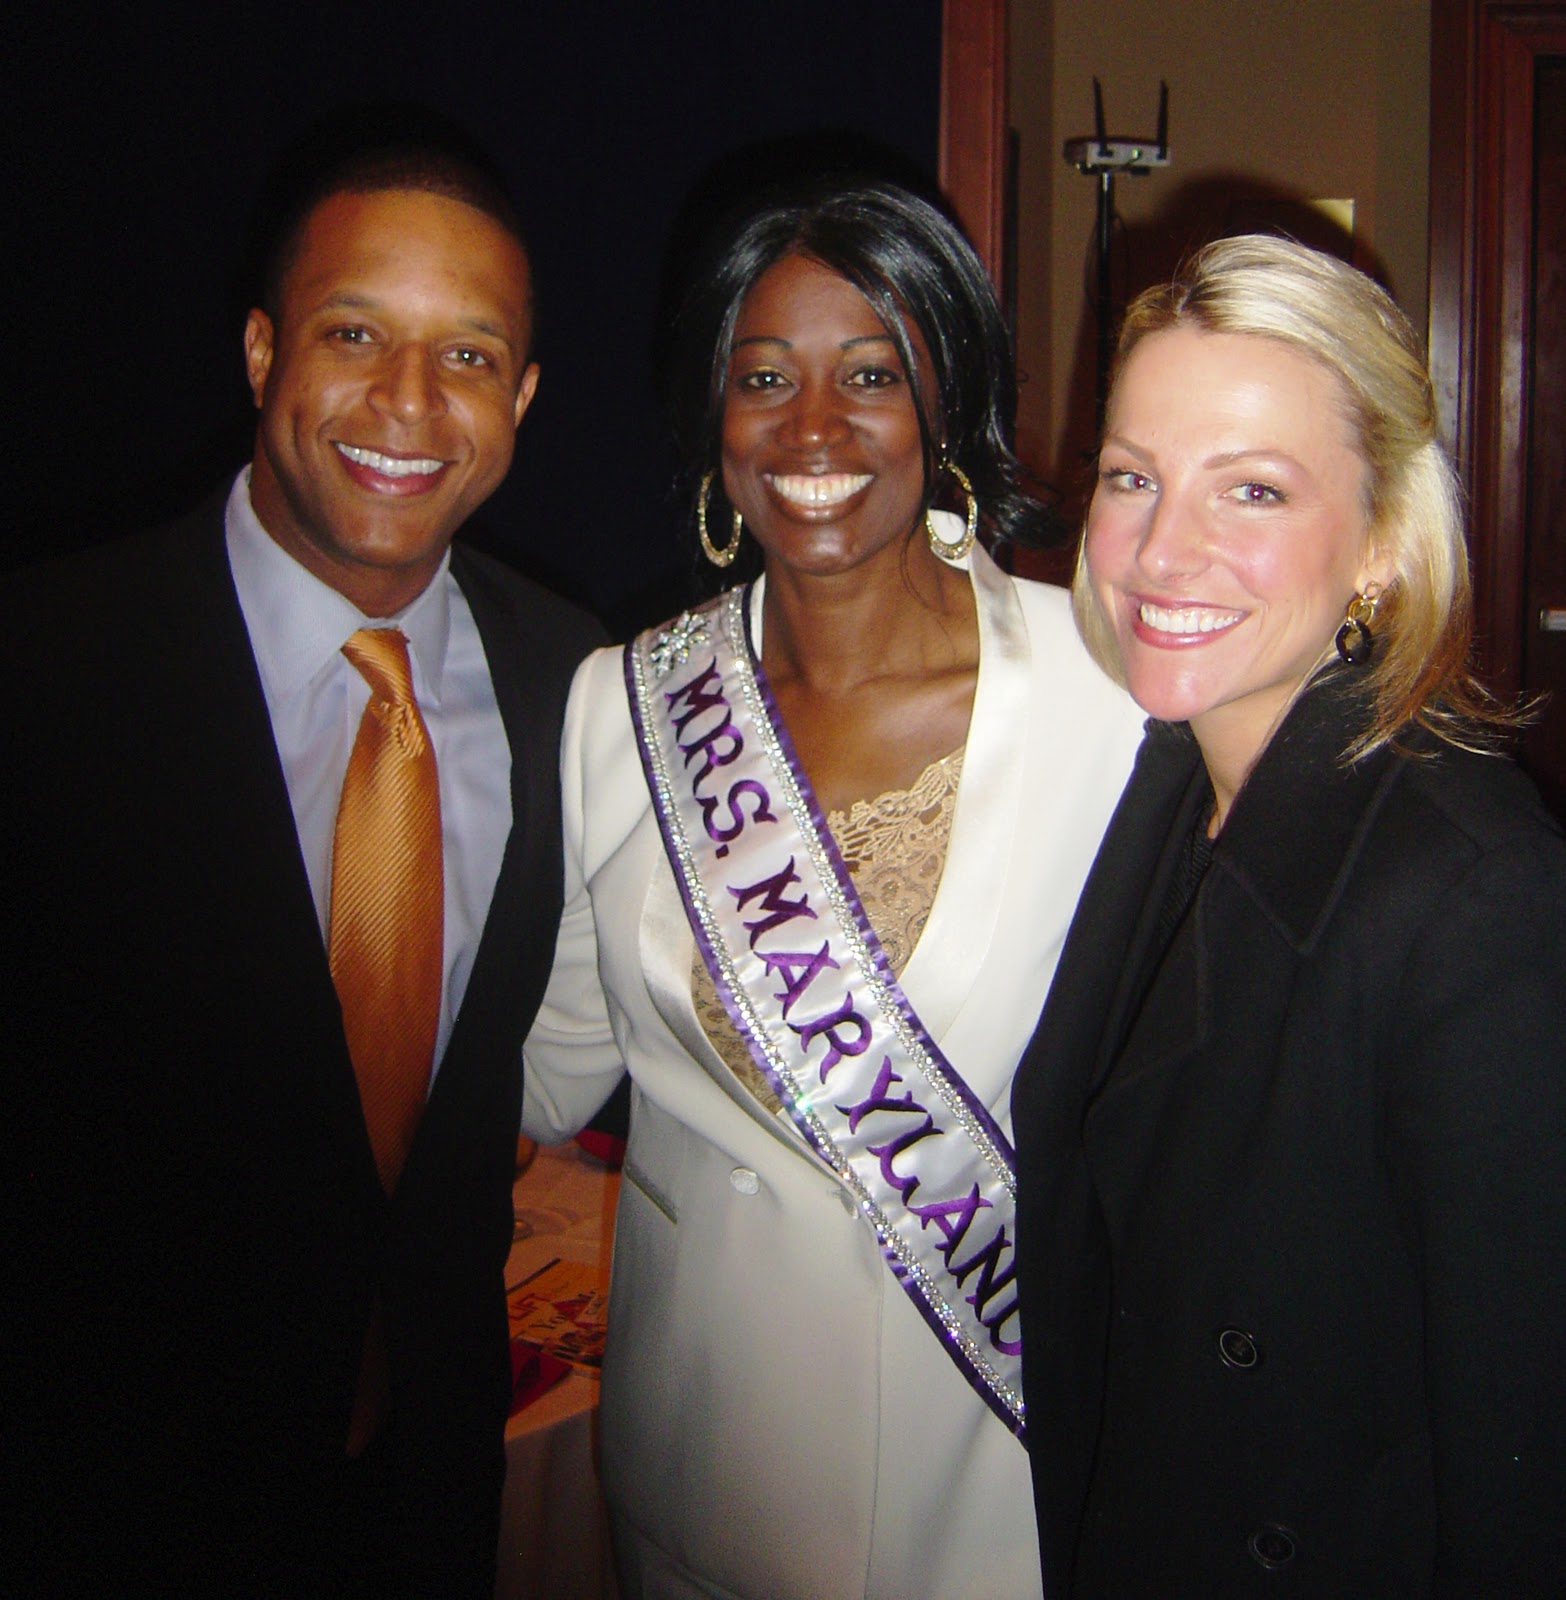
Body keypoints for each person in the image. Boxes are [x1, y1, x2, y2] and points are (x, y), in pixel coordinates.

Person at [521, 178, 1146, 1599]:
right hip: (704, 1469)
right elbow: (546, 1065)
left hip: (993, 1476)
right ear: (710, 418)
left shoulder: (1106, 694)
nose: (811, 430)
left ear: (945, 403)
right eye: (762, 378)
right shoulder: (621, 708)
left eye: (870, 374)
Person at [2, 128, 600, 1596]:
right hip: (91, 1499)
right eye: (353, 333)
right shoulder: (44, 669)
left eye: (467, 354)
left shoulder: (575, 687)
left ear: (519, 399)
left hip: (426, 1499)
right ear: (263, 350)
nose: (407, 402)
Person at [1011, 234, 1566, 1596]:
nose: (1160, 550)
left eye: (1249, 489)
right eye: (1130, 476)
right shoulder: (1160, 777)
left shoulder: (1471, 895)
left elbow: (1524, 1466)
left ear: (1379, 542)